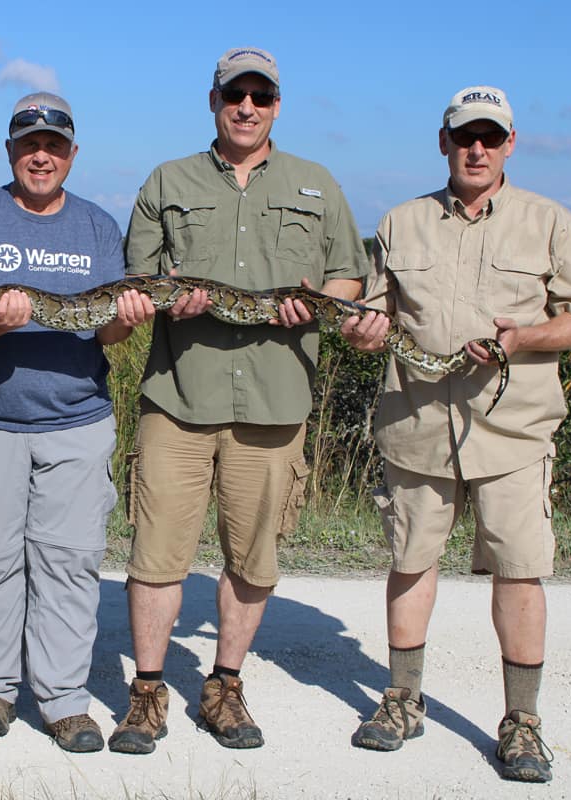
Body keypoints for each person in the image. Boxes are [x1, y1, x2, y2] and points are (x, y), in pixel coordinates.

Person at [341, 85, 571, 783]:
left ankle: (522, 723)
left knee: (520, 574)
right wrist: (365, 333)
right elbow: (374, 320)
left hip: (513, 432)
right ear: (444, 141)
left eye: (491, 137)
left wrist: (523, 339)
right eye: (465, 136)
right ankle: (401, 700)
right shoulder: (400, 222)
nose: (477, 149)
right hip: (416, 426)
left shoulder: (550, 222)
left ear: (510, 144)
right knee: (410, 562)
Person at [109, 47, 369, 755]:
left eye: (260, 95)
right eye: (235, 94)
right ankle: (147, 694)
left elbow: (350, 277)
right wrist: (166, 292)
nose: (246, 106)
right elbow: (137, 285)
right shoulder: (169, 179)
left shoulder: (317, 184)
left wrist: (314, 305)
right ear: (214, 99)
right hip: (178, 399)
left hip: (277, 403)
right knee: (156, 555)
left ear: (277, 104)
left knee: (253, 560)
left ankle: (225, 686)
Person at [0, 93, 156, 752]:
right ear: (10, 152)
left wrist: (130, 317)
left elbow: (109, 332)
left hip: (76, 421)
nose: (42, 155)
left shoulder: (95, 226)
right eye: (30, 144)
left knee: (68, 563)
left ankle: (64, 700)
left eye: (54, 145)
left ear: (71, 154)